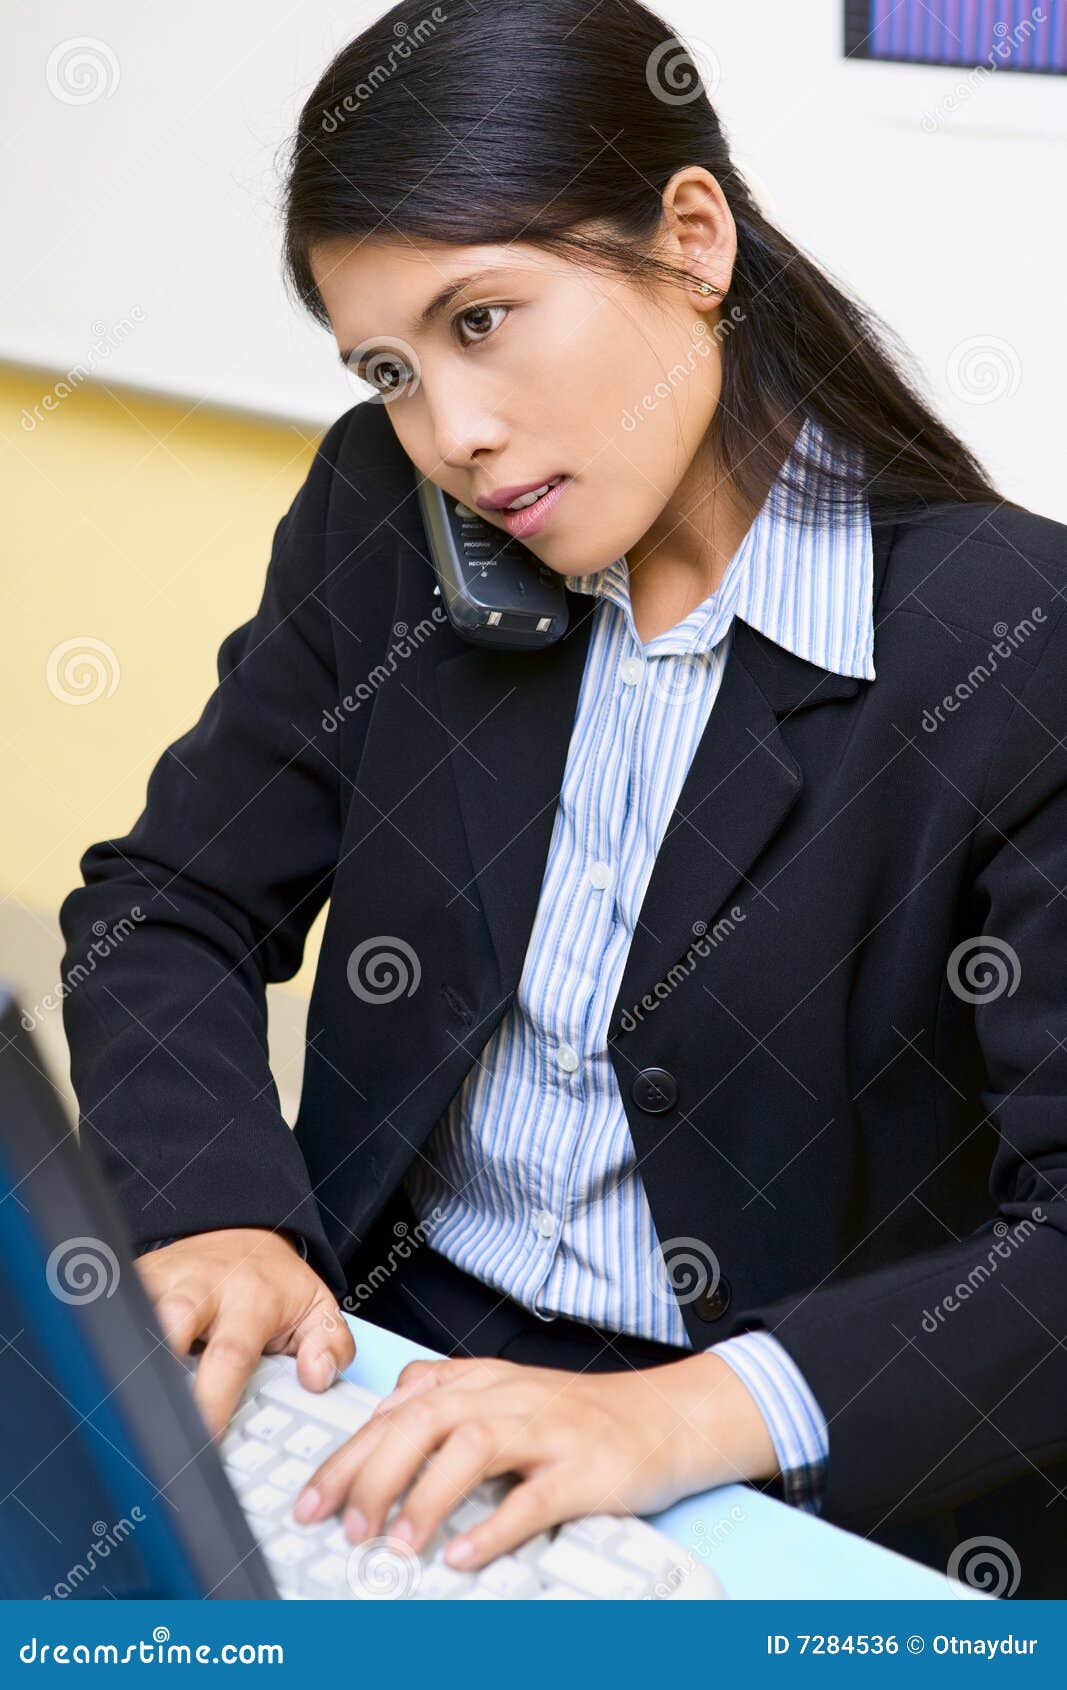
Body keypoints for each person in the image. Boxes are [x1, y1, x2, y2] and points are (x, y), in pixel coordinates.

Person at [58, 0, 1067, 1597]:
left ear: (692, 239)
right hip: (377, 1367)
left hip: (778, 1470)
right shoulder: (387, 522)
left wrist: (675, 1417)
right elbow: (166, 899)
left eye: (482, 320)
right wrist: (219, 1215)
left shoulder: (1009, 642)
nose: (451, 433)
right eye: (389, 367)